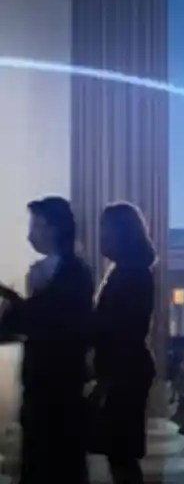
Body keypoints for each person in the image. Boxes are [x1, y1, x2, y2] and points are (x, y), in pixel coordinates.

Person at [0, 196, 95, 484]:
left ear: (54, 229)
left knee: (59, 464)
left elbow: (58, 324)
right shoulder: (44, 272)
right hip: (39, 387)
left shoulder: (75, 273)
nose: (30, 234)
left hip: (61, 388)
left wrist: (17, 299)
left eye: (37, 225)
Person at [89, 202, 158, 484]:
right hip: (126, 371)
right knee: (121, 456)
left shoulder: (130, 275)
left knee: (121, 456)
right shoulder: (130, 272)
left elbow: (122, 331)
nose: (101, 237)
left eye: (105, 230)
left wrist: (104, 383)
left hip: (123, 373)